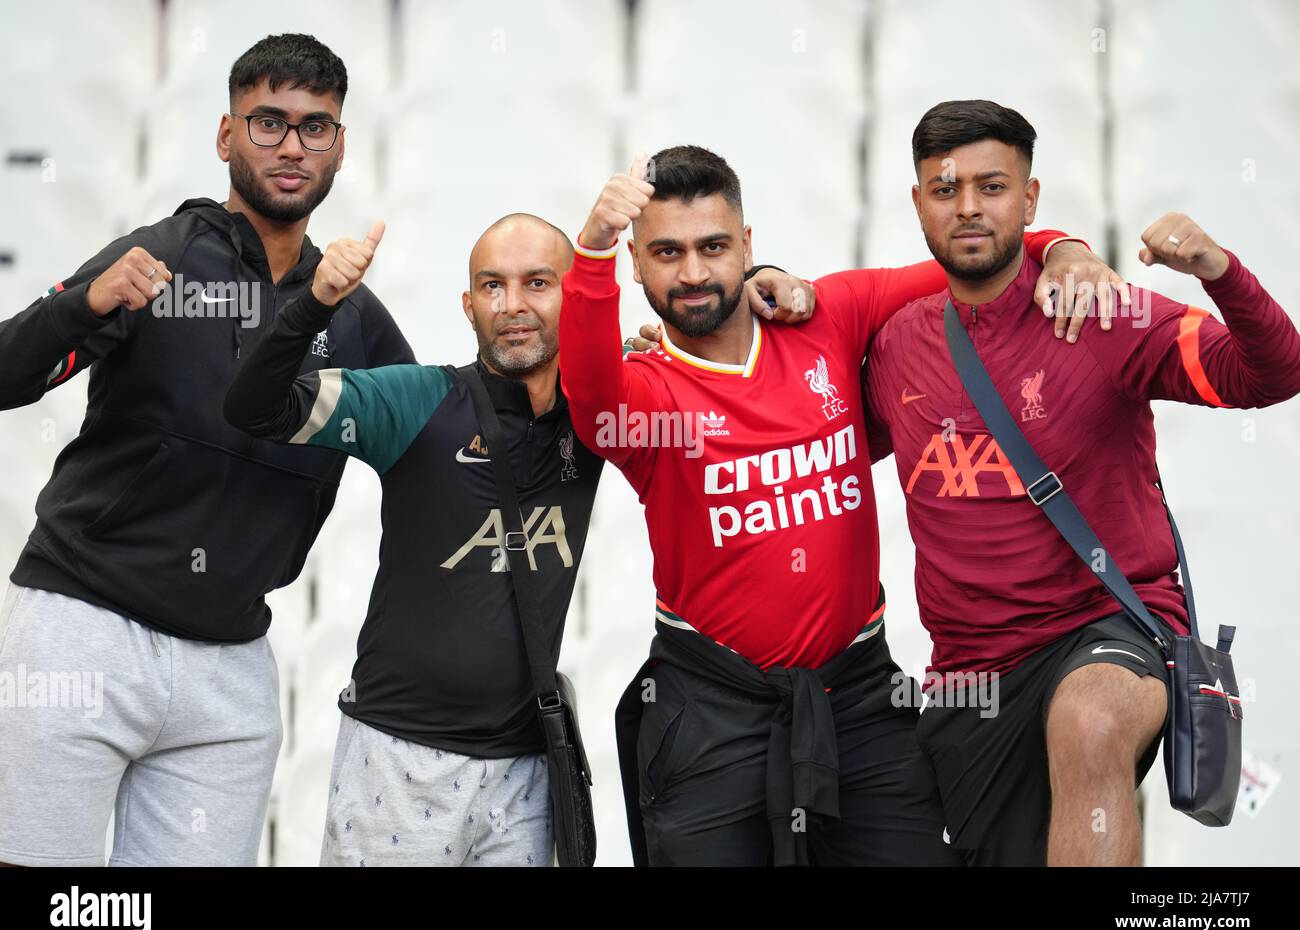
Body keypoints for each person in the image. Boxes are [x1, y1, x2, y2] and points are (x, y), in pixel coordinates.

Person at [559, 144, 1113, 866]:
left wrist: (1059, 247)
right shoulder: (645, 392)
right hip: (710, 707)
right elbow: (589, 390)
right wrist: (591, 251)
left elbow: (965, 261)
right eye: (666, 252)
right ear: (637, 263)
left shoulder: (829, 314)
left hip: (861, 700)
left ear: (749, 246)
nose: (693, 272)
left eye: (713, 247)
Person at [224, 212, 802, 865]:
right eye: (493, 287)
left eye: (538, 283)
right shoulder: (417, 400)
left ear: (573, 298)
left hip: (527, 772)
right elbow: (253, 409)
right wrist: (316, 304)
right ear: (469, 306)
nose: (513, 305)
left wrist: (762, 280)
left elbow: (731, 375)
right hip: (395, 759)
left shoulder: (603, 409)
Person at [0, 34, 414, 867]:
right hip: (85, 629)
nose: (292, 145)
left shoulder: (356, 317)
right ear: (226, 137)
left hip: (231, 668)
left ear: (340, 146)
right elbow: (10, 375)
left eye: (314, 127)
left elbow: (448, 434)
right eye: (268, 122)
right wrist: (81, 306)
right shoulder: (159, 255)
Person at [860, 99, 1300, 865]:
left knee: (1091, 723)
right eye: (944, 188)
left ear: (1029, 200)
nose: (968, 207)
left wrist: (1217, 271)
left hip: (1106, 626)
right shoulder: (897, 344)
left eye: (992, 187)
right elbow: (807, 438)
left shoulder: (1099, 311)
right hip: (970, 674)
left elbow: (1272, 372)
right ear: (918, 204)